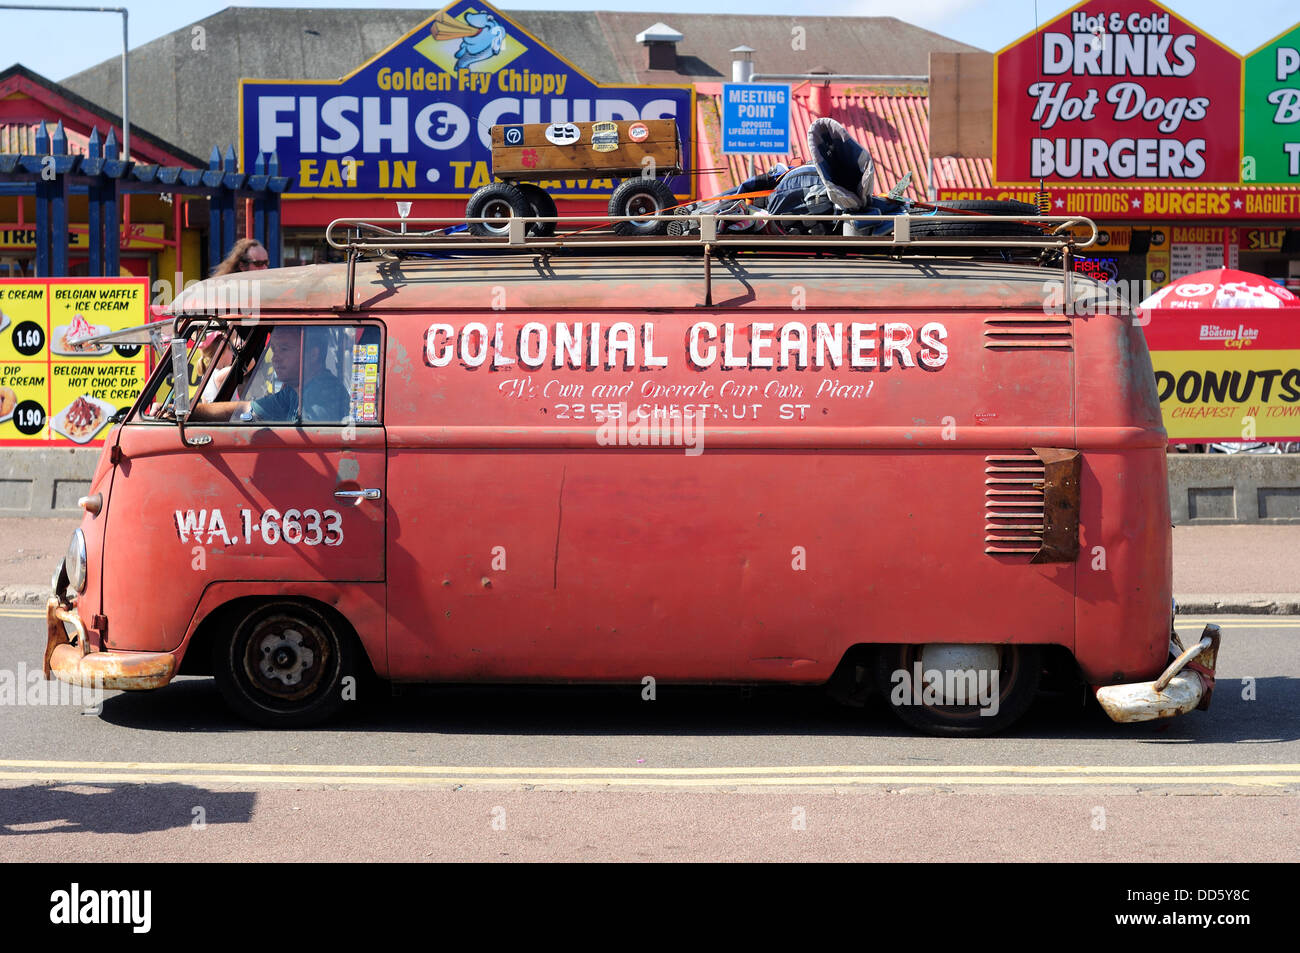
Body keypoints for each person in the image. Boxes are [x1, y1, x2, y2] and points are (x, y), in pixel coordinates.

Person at [189, 326, 349, 423]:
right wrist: (188, 412)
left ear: (313, 354)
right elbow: (244, 409)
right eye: (274, 350)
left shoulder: (323, 395)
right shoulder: (293, 392)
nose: (275, 358)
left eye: (284, 349)